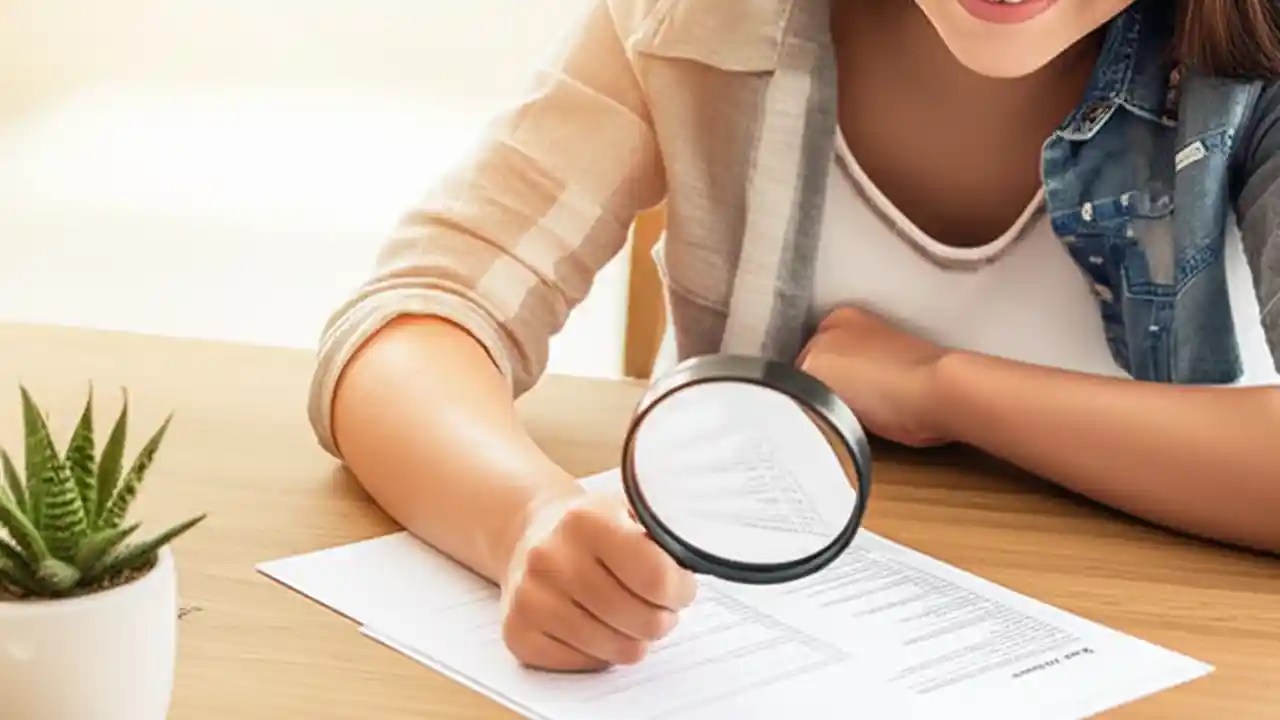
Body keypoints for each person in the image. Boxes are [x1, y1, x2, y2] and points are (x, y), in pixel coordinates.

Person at [310, 0, 1280, 672]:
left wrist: (943, 388)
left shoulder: (1251, 57)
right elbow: (414, 315)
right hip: (728, 661)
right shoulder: (700, 20)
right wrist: (522, 522)